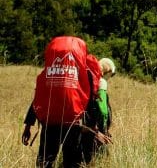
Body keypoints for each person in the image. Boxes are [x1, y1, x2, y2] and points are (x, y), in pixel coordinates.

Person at [21, 36, 101, 168]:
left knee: (45, 161)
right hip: (73, 124)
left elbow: (39, 97)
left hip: (50, 122)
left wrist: (28, 125)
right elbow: (90, 100)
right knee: (71, 162)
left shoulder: (48, 72)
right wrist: (92, 127)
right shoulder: (84, 73)